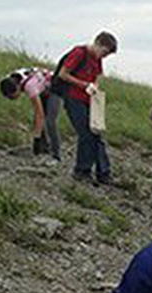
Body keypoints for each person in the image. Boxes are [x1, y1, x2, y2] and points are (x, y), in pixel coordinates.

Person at [54, 32, 117, 184]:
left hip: (89, 99)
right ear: (97, 44)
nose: (104, 56)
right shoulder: (79, 53)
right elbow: (63, 74)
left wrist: (94, 87)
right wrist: (83, 84)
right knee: (85, 133)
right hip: (73, 98)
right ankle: (82, 170)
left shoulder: (97, 59)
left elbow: (96, 77)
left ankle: (104, 173)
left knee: (97, 134)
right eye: (104, 52)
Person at [0, 67, 63, 161]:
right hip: (42, 87)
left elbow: (40, 115)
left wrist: (36, 139)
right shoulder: (10, 78)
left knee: (50, 121)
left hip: (55, 87)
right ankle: (44, 148)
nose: (13, 99)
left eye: (13, 96)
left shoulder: (30, 86)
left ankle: (56, 155)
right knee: (37, 120)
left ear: (17, 87)